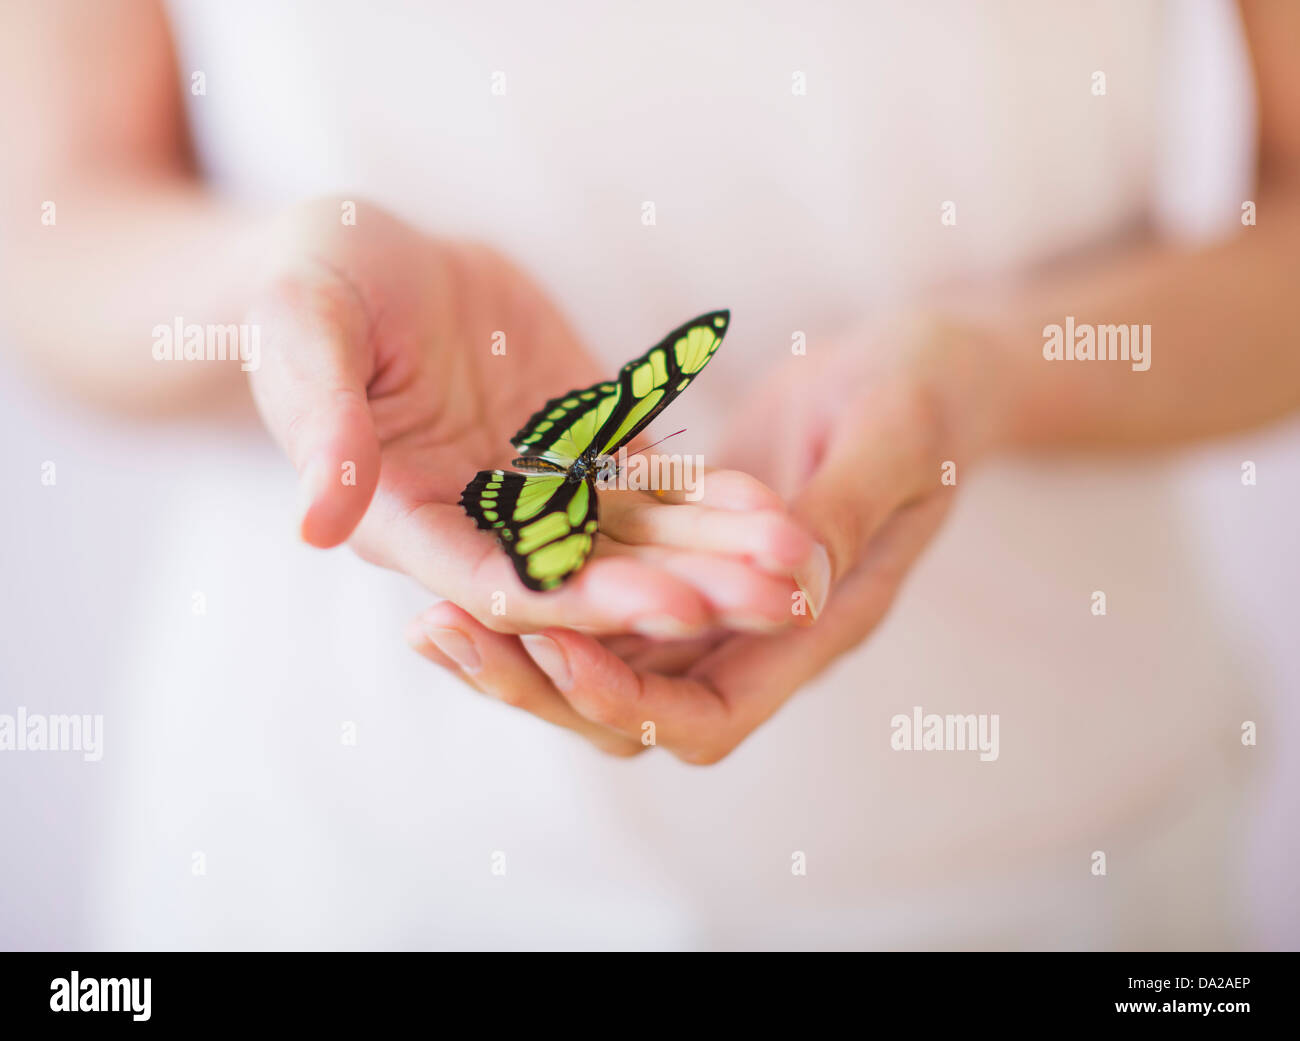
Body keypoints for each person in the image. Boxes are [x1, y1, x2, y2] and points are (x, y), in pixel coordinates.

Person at [2, 0, 1295, 948]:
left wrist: (995, 373)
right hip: (329, 852)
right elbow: (52, 225)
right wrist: (283, 295)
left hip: (1049, 859)